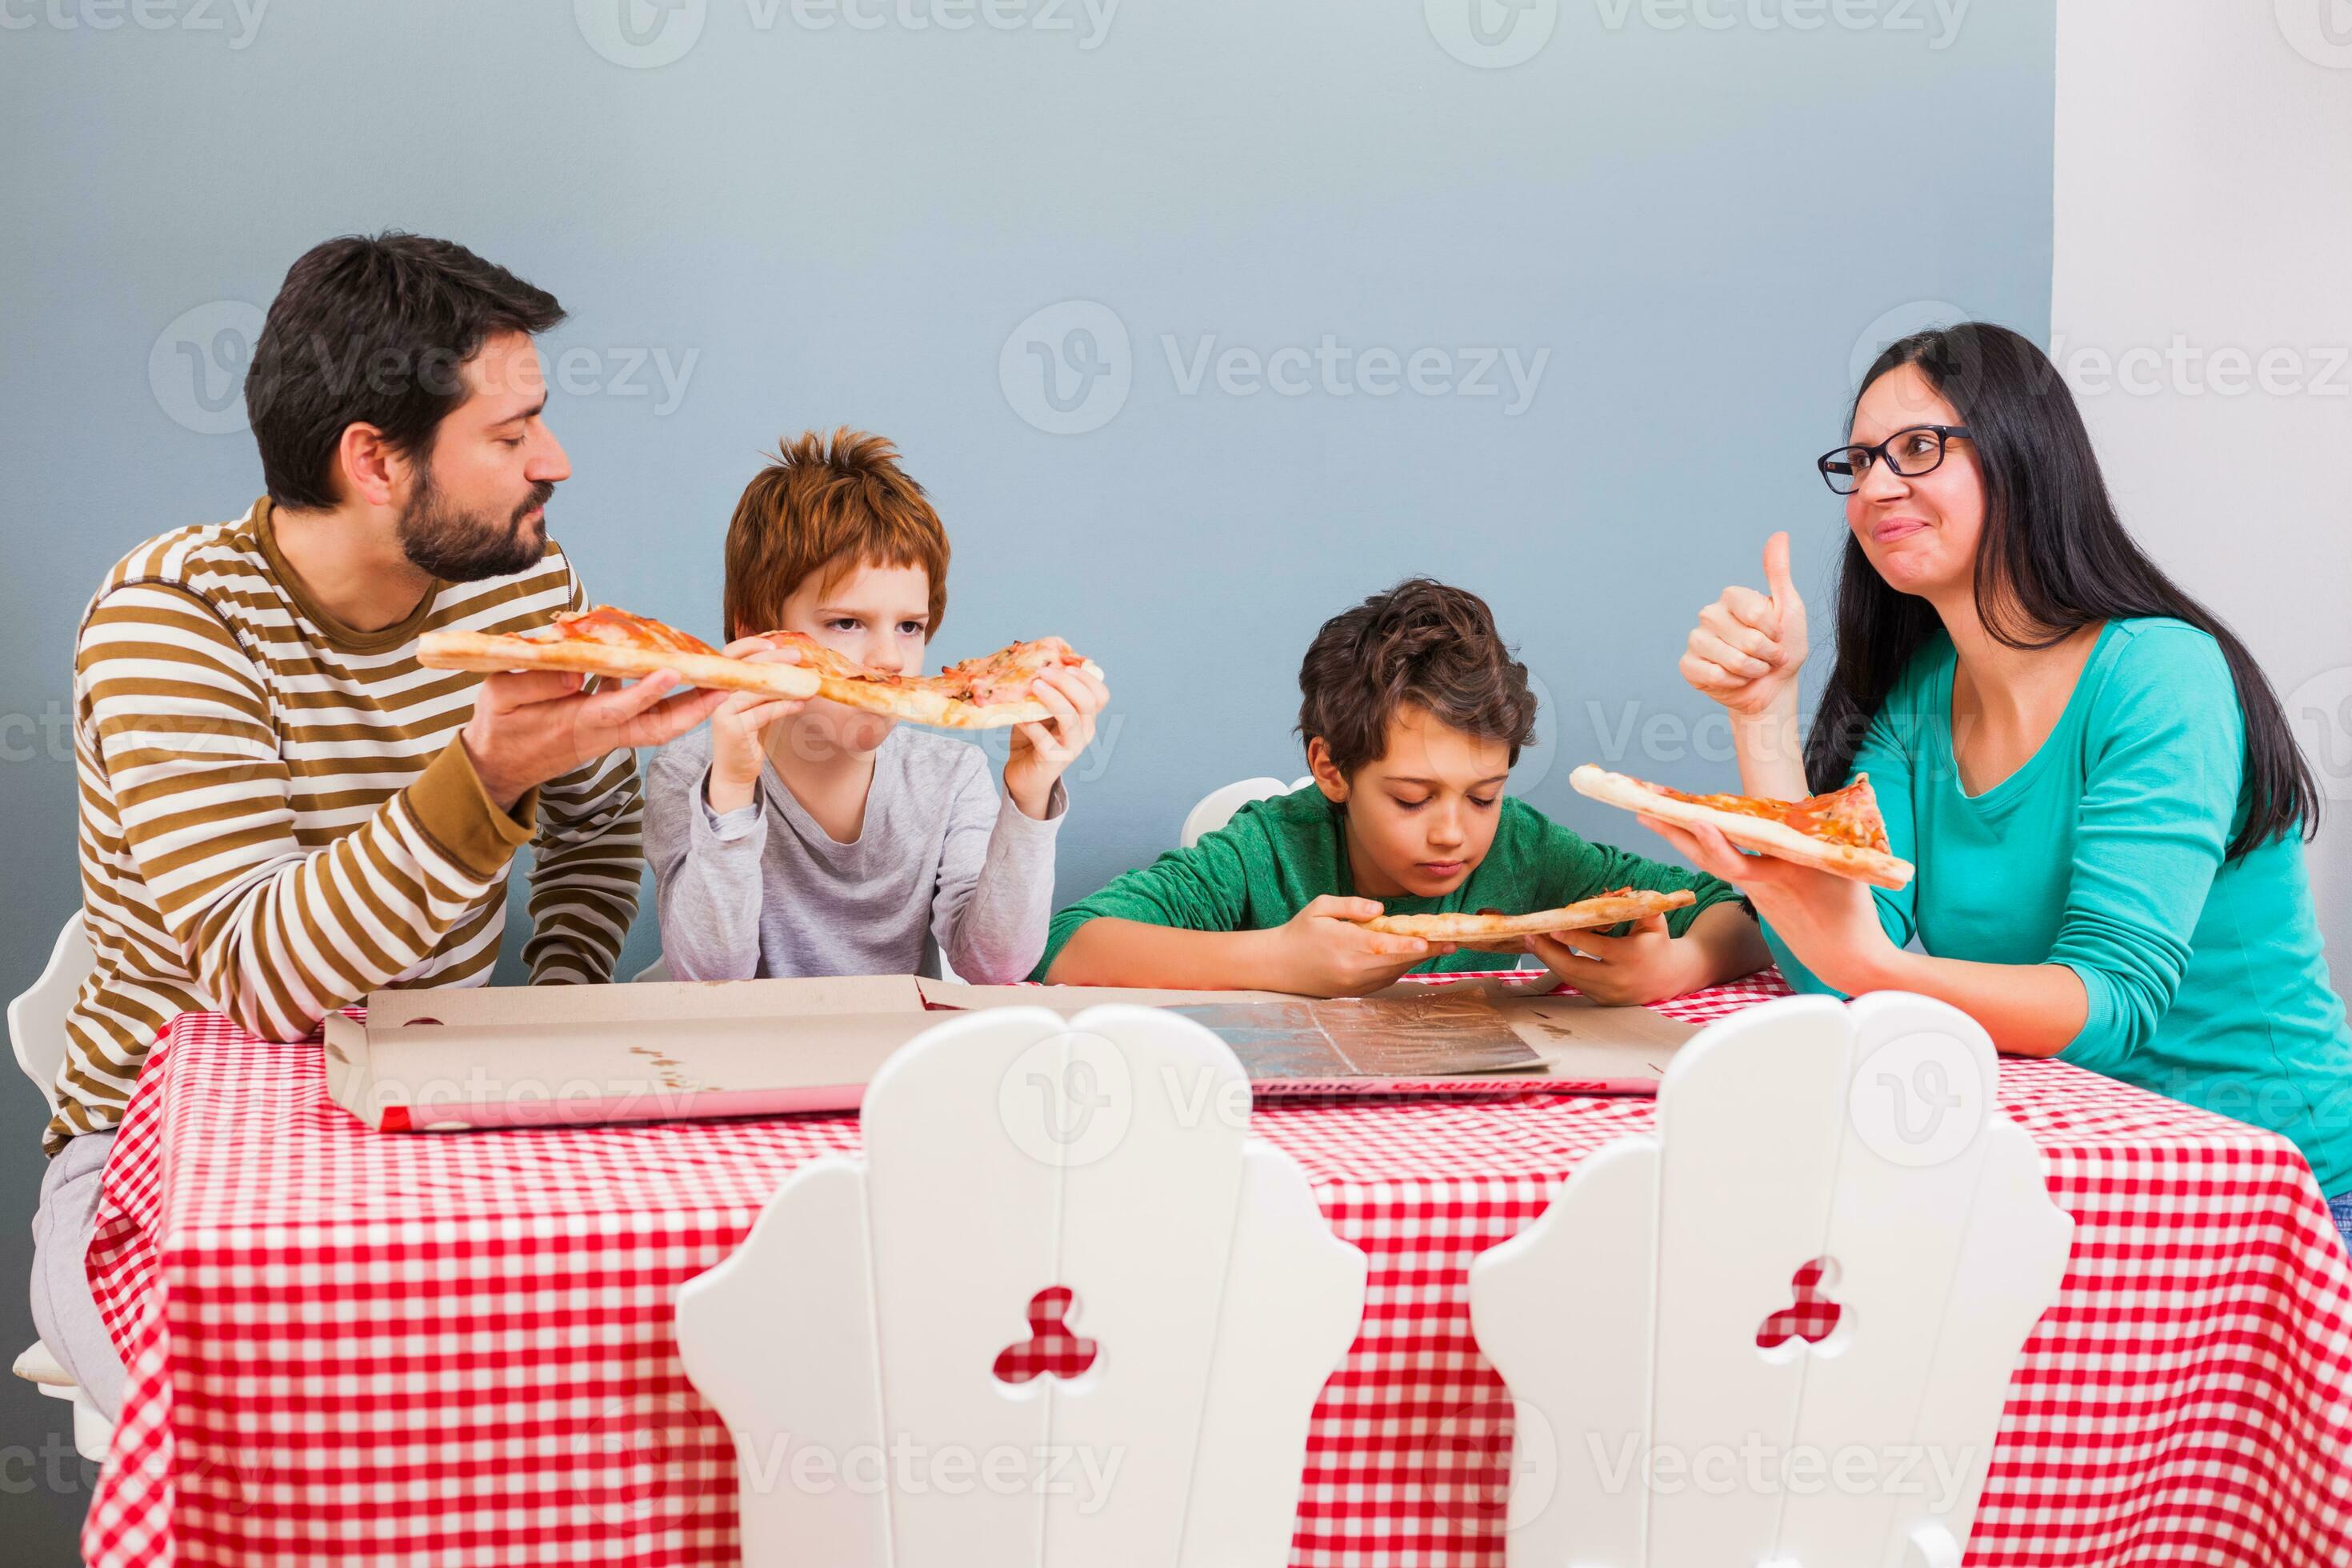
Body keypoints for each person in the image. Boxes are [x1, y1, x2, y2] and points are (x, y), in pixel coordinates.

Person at [37, 233, 723, 1415]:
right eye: (508, 439)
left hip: (438, 1119)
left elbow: (595, 837)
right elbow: (262, 979)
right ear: (374, 461)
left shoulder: (520, 586)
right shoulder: (175, 619)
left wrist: (553, 1013)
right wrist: (483, 773)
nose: (553, 462)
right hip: (165, 1153)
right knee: (283, 1438)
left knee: (626, 1382)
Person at [1658, 321, 2352, 1252]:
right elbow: (1841, 965)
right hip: (2063, 1176)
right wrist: (1762, 714)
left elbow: (2107, 1007)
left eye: (1918, 448)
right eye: (1860, 461)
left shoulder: (2160, 677)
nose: (1876, 486)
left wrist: (1877, 970)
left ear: (2027, 455)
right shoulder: (1918, 695)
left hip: (2271, 1200)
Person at [1040, 578, 1766, 998]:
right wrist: (1278, 960)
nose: (1455, 832)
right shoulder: (1268, 849)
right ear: (1331, 769)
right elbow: (1066, 946)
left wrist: (1680, 962)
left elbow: (1745, 915)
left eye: (1484, 795)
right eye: (1413, 799)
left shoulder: (1525, 851)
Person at [646, 429, 1107, 983]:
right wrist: (732, 790)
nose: (889, 658)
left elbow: (995, 967)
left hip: (889, 1057)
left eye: (910, 626)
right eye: (847, 623)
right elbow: (708, 979)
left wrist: (1031, 799)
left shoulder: (950, 778)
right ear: (758, 633)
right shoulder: (690, 773)